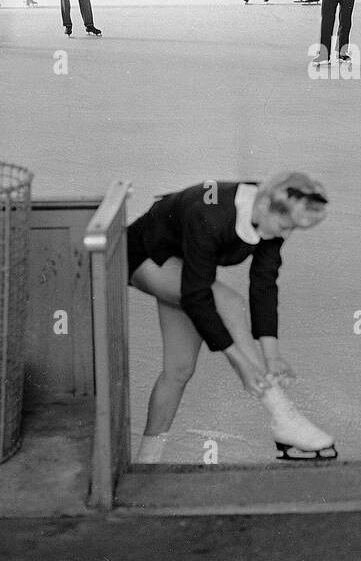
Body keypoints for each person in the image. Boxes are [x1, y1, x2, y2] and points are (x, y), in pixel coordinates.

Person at [128, 173, 336, 464]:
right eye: (284, 227)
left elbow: (263, 283)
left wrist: (272, 354)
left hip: (182, 263)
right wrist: (241, 362)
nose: (285, 235)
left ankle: (146, 463)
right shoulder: (211, 215)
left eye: (293, 230)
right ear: (263, 206)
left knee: (178, 370)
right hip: (145, 254)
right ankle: (282, 415)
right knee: (227, 302)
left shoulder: (272, 215)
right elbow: (198, 298)